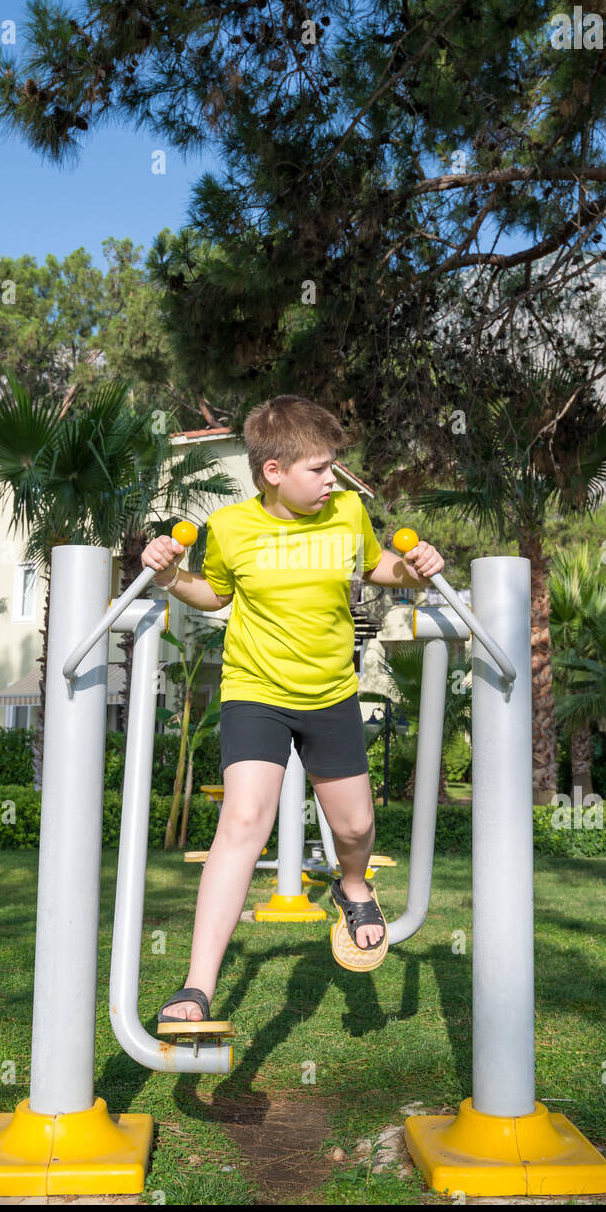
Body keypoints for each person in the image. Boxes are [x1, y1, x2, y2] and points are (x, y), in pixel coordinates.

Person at [140, 395, 444, 1024]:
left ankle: (352, 887)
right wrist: (171, 577)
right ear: (273, 471)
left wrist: (415, 570)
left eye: (333, 466)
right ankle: (196, 986)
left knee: (356, 829)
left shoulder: (347, 511)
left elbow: (374, 564)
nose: (332, 479)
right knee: (244, 822)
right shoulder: (230, 528)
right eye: (319, 469)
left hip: (332, 692)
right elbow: (215, 593)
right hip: (255, 692)